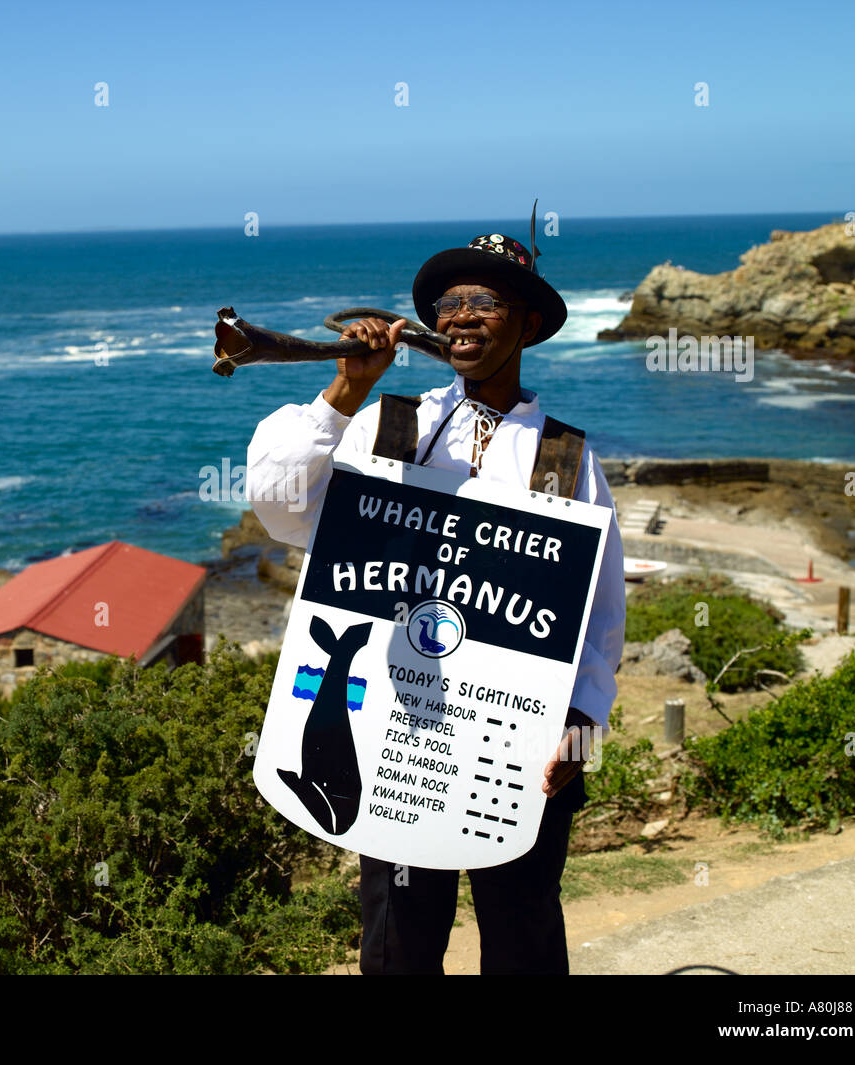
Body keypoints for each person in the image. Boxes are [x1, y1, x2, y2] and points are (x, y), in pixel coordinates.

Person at [245, 229, 625, 975]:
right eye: (448, 304)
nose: (461, 317)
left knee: (524, 941)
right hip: (398, 740)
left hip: (518, 752)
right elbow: (281, 506)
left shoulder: (565, 458)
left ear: (528, 324)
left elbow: (601, 618)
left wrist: (583, 731)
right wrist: (344, 390)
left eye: (485, 301)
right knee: (398, 943)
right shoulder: (392, 424)